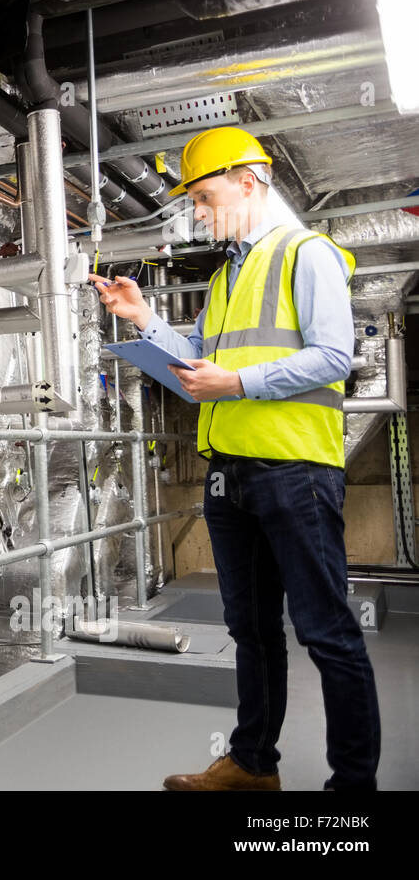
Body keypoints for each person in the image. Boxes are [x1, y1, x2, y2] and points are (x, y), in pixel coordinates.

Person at [87, 125, 381, 791]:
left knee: (328, 633)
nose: (197, 209)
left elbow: (336, 357)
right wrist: (142, 320)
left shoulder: (308, 254)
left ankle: (353, 788)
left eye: (204, 193)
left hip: (295, 472)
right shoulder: (224, 280)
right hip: (230, 474)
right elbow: (196, 365)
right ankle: (252, 766)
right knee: (251, 631)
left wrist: (238, 383)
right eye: (192, 199)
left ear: (249, 182)